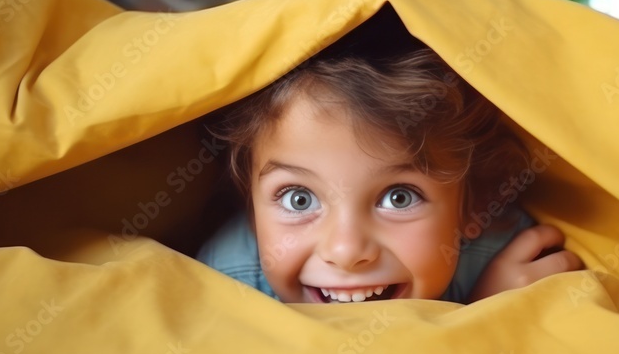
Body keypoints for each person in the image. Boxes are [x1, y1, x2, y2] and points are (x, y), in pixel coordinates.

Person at [196, 42, 583, 304]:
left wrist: (490, 311)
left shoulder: (506, 261)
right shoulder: (227, 281)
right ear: (250, 207)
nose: (346, 252)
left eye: (399, 197)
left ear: (473, 208)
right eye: (299, 198)